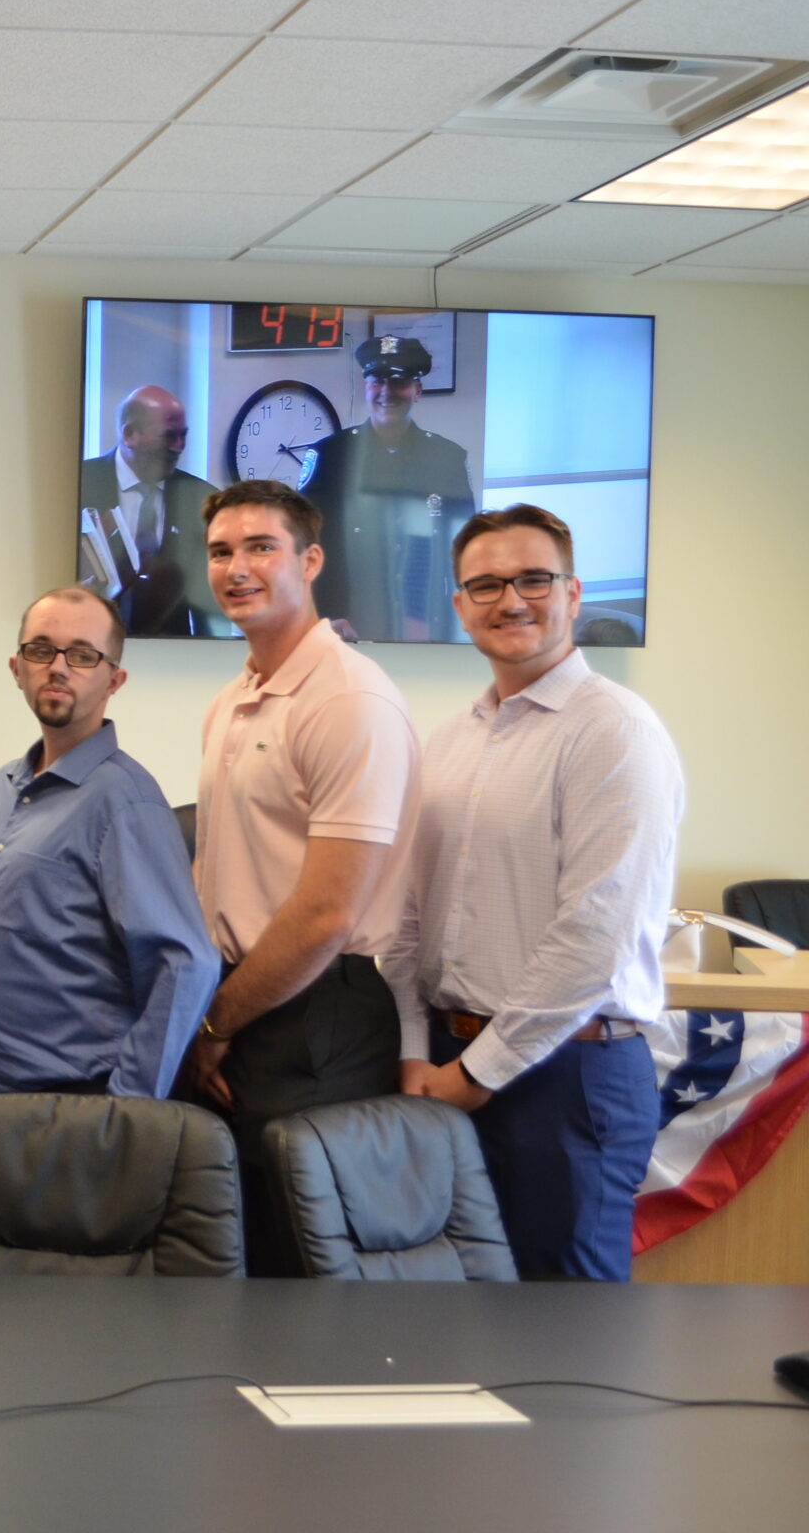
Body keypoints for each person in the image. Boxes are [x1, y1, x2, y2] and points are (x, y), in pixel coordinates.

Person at [382, 505, 684, 1280]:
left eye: (534, 579)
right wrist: (419, 1052)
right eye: (484, 585)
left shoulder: (613, 731)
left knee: (564, 1342)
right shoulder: (450, 741)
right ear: (457, 605)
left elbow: (595, 934)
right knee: (463, 1324)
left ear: (574, 593)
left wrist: (475, 1075)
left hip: (567, 1078)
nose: (510, 600)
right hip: (447, 1065)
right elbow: (408, 917)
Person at [188, 479, 420, 1273]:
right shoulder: (235, 698)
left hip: (314, 1009)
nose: (237, 567)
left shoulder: (349, 699)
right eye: (221, 550)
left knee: (302, 1259)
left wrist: (218, 1025)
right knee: (234, 1244)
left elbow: (326, 912)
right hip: (241, 1000)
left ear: (311, 560)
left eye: (261, 547)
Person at [0, 588, 218, 1097]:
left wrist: (125, 1107)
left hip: (65, 1114)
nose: (58, 667)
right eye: (41, 650)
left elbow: (187, 965)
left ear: (115, 679)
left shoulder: (127, 802)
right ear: (16, 668)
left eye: (83, 655)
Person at [298, 334, 476, 643]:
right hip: (344, 626)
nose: (386, 392)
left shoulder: (449, 458)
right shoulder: (329, 456)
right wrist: (325, 617)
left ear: (417, 390)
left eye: (399, 382)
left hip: (425, 629)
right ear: (365, 387)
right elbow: (301, 547)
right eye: (377, 381)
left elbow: (465, 550)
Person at [78, 384, 219, 636]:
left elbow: (206, 598)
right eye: (169, 436)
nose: (179, 446)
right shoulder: (78, 483)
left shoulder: (202, 497)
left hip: (174, 654)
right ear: (130, 434)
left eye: (183, 435)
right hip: (90, 642)